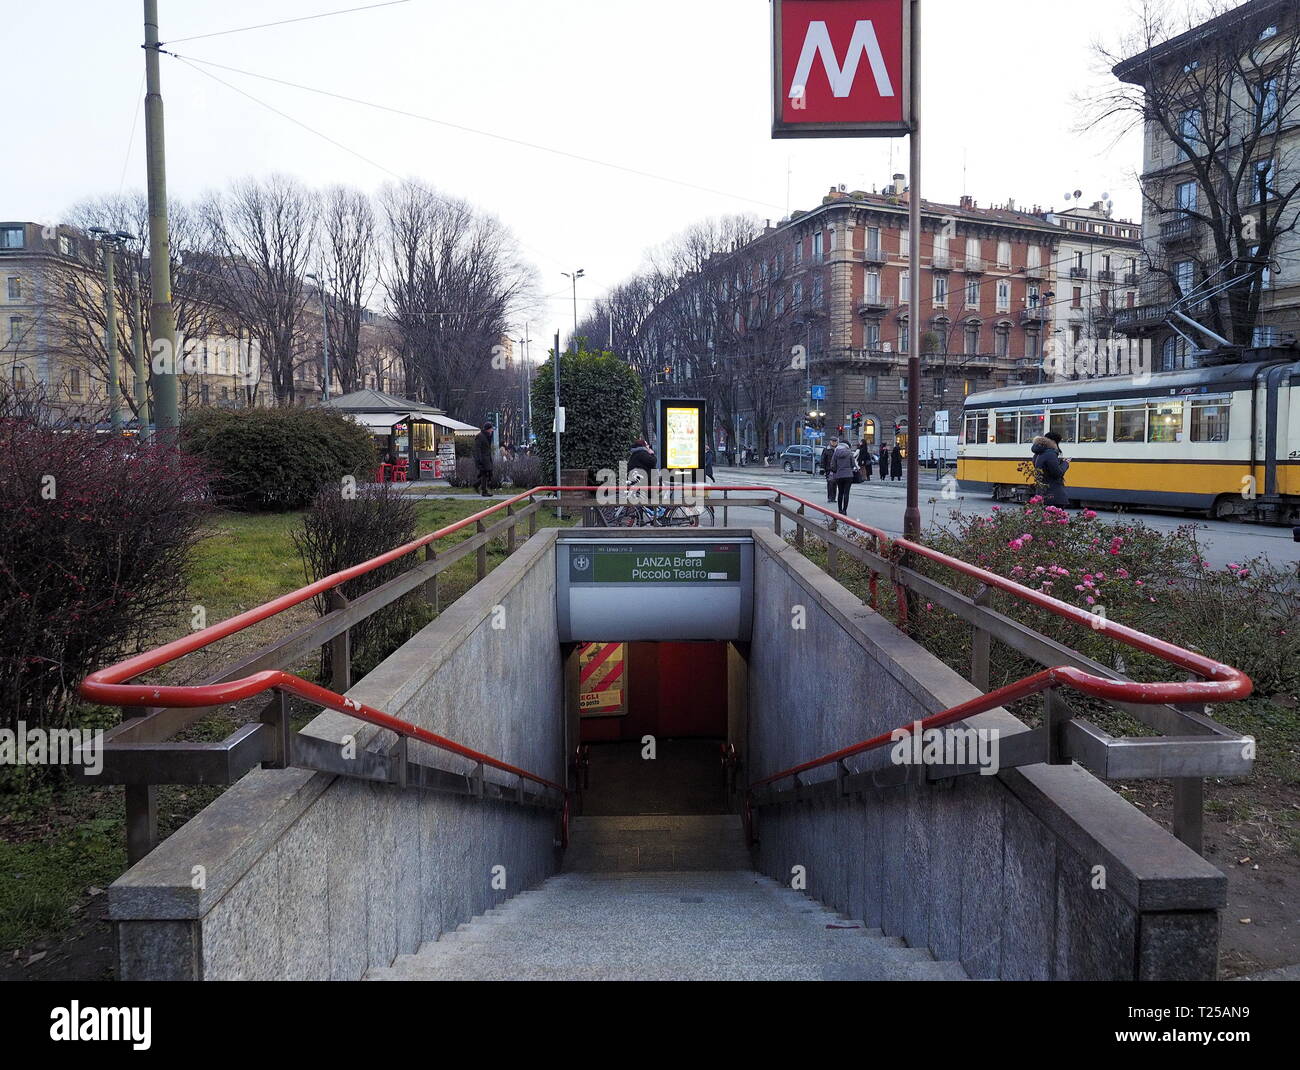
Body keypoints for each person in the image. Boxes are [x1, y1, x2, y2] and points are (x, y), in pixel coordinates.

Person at [1031, 430, 1071, 507]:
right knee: (1055, 517)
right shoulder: (1050, 454)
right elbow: (1057, 473)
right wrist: (1065, 463)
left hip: (1042, 492)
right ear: (1052, 442)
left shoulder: (1038, 454)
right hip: (1053, 494)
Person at [830, 437, 856, 514]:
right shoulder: (849, 452)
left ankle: (839, 510)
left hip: (839, 475)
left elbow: (833, 464)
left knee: (840, 492)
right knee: (846, 493)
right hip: (848, 475)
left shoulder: (836, 453)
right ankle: (845, 510)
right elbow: (853, 464)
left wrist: (836, 470)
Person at [472, 421, 494, 497]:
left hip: (487, 459)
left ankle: (476, 485)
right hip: (482, 459)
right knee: (485, 474)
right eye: (491, 428)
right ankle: (484, 491)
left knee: (486, 474)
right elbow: (477, 449)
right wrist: (479, 460)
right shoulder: (480, 436)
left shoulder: (487, 436)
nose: (492, 430)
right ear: (487, 429)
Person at [821, 437, 838, 502]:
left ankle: (833, 497)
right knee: (830, 483)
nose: (834, 442)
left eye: (835, 441)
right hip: (829, 469)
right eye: (832, 441)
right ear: (830, 442)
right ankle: (830, 497)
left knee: (835, 484)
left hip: (836, 469)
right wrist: (822, 468)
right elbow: (823, 459)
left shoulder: (837, 449)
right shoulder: (826, 449)